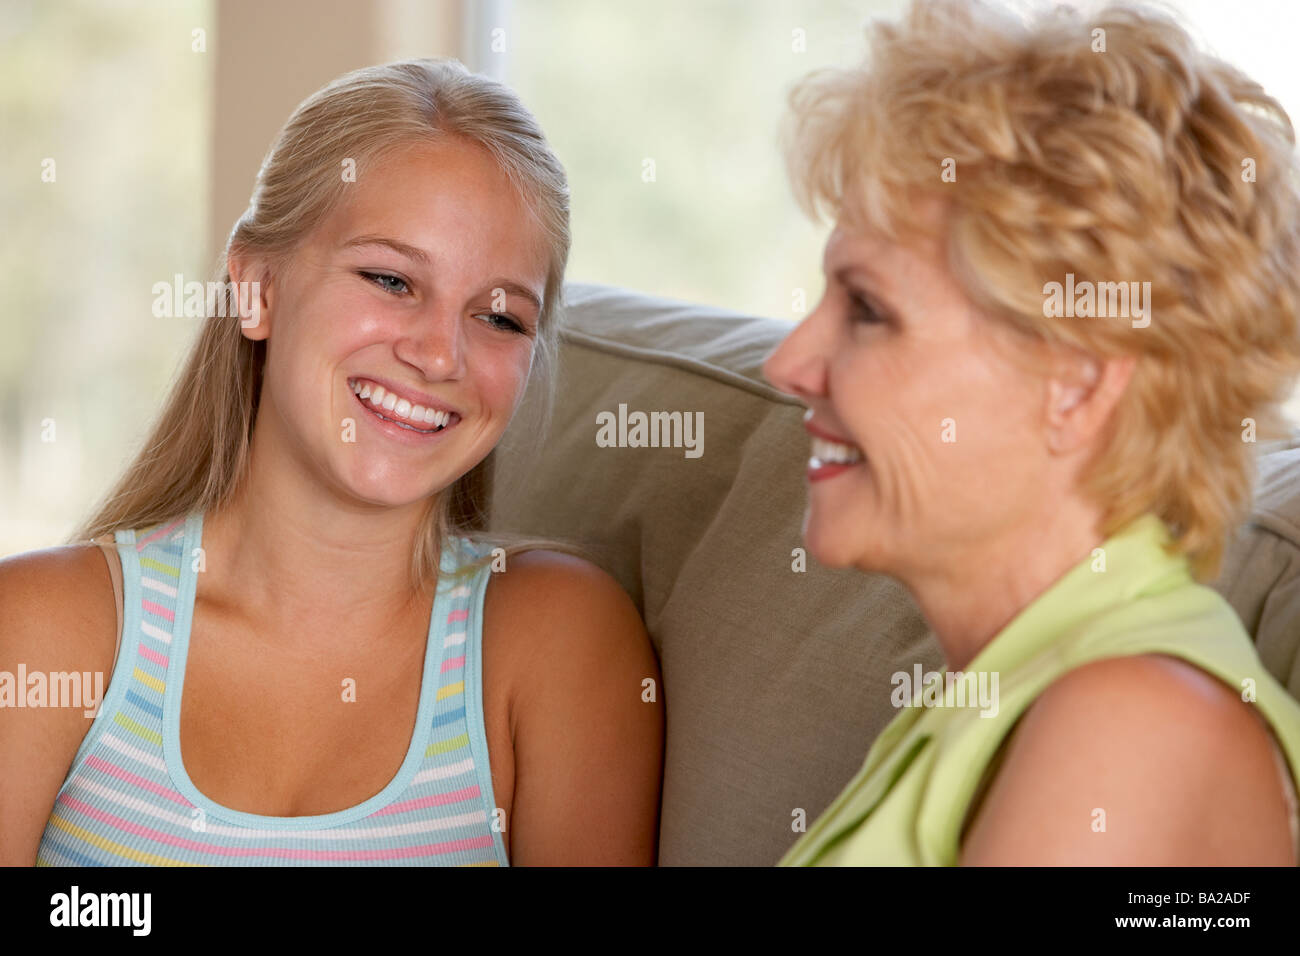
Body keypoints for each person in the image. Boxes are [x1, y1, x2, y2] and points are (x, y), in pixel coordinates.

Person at [0, 58, 663, 866]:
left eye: (499, 318)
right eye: (390, 279)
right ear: (258, 288)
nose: (438, 353)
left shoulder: (559, 645)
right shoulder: (44, 630)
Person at [764, 0, 1300, 865]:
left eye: (867, 308)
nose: (787, 362)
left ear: (1076, 383)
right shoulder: (1012, 692)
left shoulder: (1132, 725)